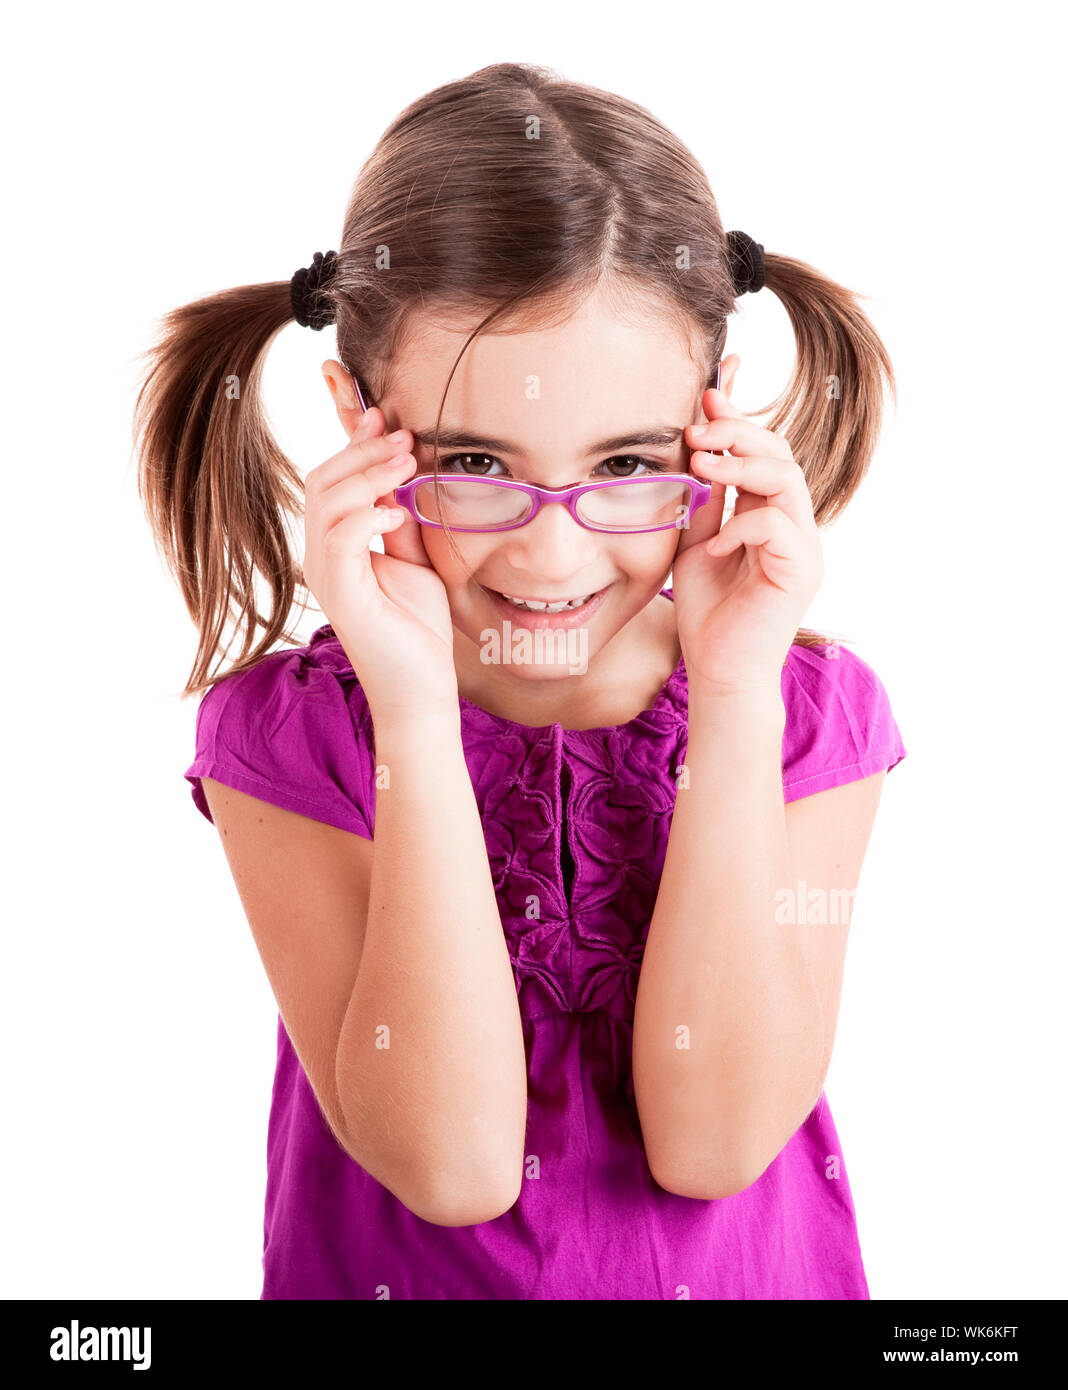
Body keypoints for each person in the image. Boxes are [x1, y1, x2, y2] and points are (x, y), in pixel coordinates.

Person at [134, 61, 907, 1300]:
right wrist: (412, 709)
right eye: (477, 460)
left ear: (718, 425)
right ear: (358, 421)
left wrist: (737, 687)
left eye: (631, 462)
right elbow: (453, 1167)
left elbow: (715, 1143)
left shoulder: (805, 713)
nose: (554, 550)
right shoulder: (292, 739)